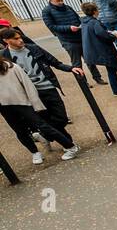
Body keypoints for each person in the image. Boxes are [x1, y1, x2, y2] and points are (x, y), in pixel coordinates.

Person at [0, 26, 78, 159]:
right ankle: (68, 143)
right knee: (45, 119)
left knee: (61, 118)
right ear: (6, 40)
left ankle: (46, 134)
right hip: (30, 93)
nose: (20, 40)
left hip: (47, 87)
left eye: (20, 37)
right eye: (16, 38)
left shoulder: (33, 48)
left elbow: (54, 62)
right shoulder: (4, 57)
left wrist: (71, 68)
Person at [42, 0, 102, 84]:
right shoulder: (46, 11)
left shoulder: (68, 7)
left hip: (80, 36)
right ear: (51, 0)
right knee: (77, 62)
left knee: (89, 59)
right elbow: (51, 26)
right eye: (58, 0)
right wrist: (68, 28)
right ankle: (83, 82)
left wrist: (81, 25)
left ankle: (97, 78)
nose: (61, 2)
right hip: (68, 40)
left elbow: (77, 18)